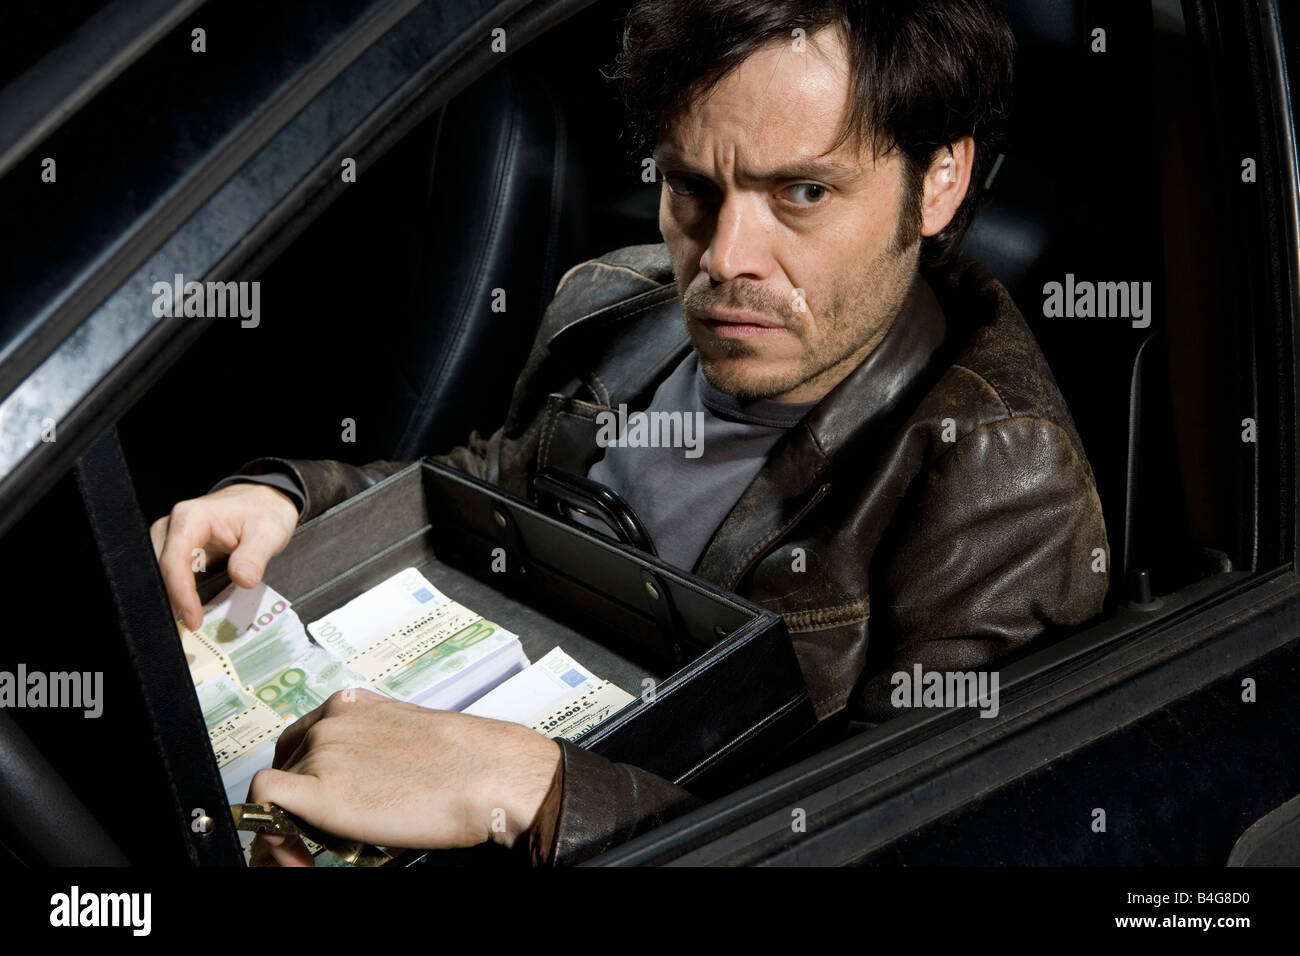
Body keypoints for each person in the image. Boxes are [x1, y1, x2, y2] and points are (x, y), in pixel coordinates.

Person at [151, 0, 1109, 865]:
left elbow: (903, 841)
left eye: (804, 194)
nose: (725, 259)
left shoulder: (998, 485)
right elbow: (485, 487)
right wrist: (289, 498)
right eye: (693, 186)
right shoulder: (609, 303)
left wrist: (540, 792)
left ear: (939, 182)